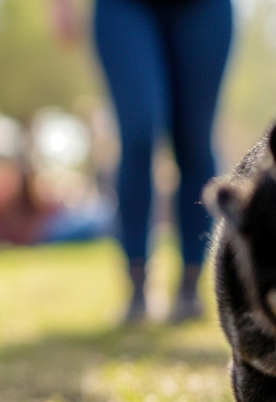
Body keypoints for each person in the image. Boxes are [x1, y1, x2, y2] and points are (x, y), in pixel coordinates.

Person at [53, 0, 234, 324]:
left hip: (205, 8)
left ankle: (190, 285)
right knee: (138, 134)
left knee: (193, 142)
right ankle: (137, 286)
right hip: (122, 8)